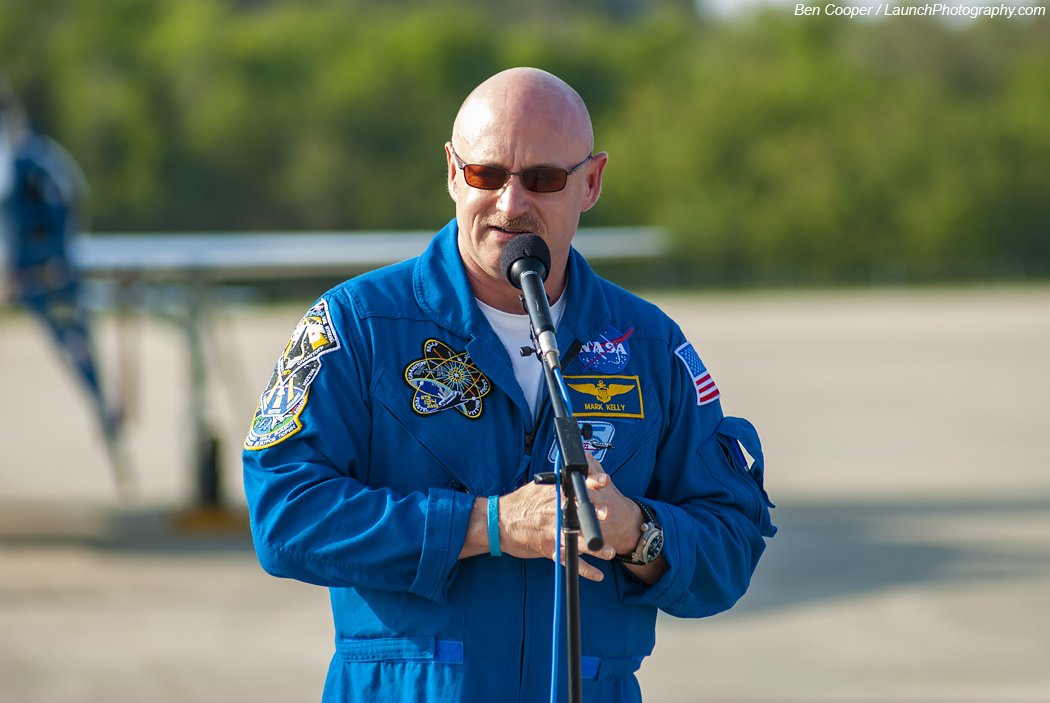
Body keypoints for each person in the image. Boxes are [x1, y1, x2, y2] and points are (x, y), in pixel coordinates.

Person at [242, 67, 775, 703]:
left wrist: (638, 532)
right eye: (486, 174)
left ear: (592, 183)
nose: (510, 203)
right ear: (451, 172)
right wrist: (488, 525)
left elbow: (731, 542)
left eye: (543, 179)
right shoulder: (356, 324)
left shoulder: (650, 345)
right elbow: (285, 515)